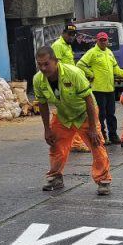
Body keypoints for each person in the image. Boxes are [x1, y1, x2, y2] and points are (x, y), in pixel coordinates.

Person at [32, 46, 112, 196]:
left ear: (55, 61)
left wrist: (93, 128)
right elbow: (42, 104)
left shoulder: (73, 73)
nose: (43, 68)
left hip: (85, 113)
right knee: (55, 145)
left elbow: (88, 100)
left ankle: (103, 181)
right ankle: (55, 177)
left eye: (46, 64)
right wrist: (47, 129)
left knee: (96, 145)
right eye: (40, 64)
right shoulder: (38, 80)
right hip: (63, 115)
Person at [76, 31, 123, 145]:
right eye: (100, 40)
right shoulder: (92, 52)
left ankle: (113, 135)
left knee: (111, 114)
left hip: (110, 89)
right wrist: (90, 74)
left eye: (104, 40)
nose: (102, 42)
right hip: (98, 89)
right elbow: (80, 65)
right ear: (97, 41)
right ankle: (102, 136)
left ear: (107, 41)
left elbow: (116, 69)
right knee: (100, 114)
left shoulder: (110, 53)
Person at [52, 23, 91, 153]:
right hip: (63, 83)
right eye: (69, 34)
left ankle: (69, 142)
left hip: (69, 82)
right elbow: (55, 66)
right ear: (63, 33)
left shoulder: (67, 46)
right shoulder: (58, 45)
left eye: (73, 35)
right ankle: (73, 143)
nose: (71, 37)